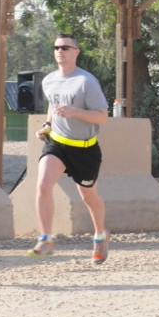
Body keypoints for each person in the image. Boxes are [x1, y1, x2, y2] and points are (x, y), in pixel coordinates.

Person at [27, 34, 110, 264]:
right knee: (43, 184)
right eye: (56, 47)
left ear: (77, 51)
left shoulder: (86, 82)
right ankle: (46, 239)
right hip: (58, 143)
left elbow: (103, 117)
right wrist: (46, 126)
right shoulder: (49, 80)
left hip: (85, 149)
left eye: (65, 47)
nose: (59, 51)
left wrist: (75, 112)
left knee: (89, 196)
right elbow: (53, 107)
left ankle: (100, 236)